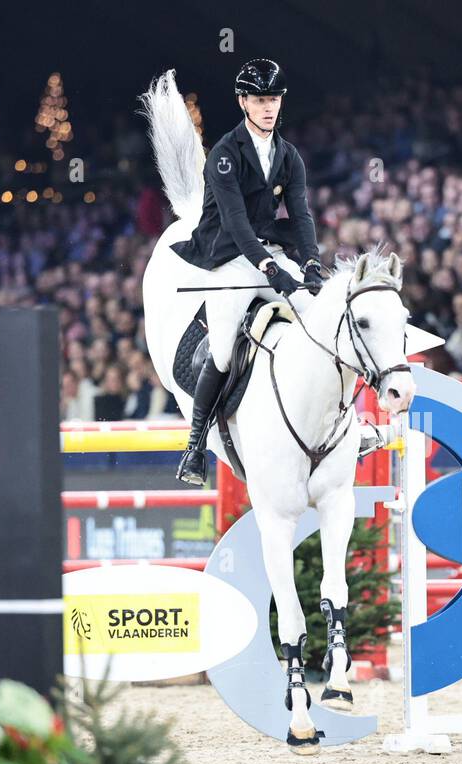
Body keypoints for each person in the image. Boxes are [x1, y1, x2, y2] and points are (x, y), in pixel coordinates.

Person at [168, 58, 324, 484]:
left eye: (273, 99)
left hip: (271, 249)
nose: (268, 107)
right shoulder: (223, 155)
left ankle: (336, 422)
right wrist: (272, 269)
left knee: (320, 316)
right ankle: (195, 445)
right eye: (259, 100)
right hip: (229, 258)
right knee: (221, 350)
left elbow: (302, 215)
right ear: (243, 102)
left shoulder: (288, 157)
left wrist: (309, 262)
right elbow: (236, 224)